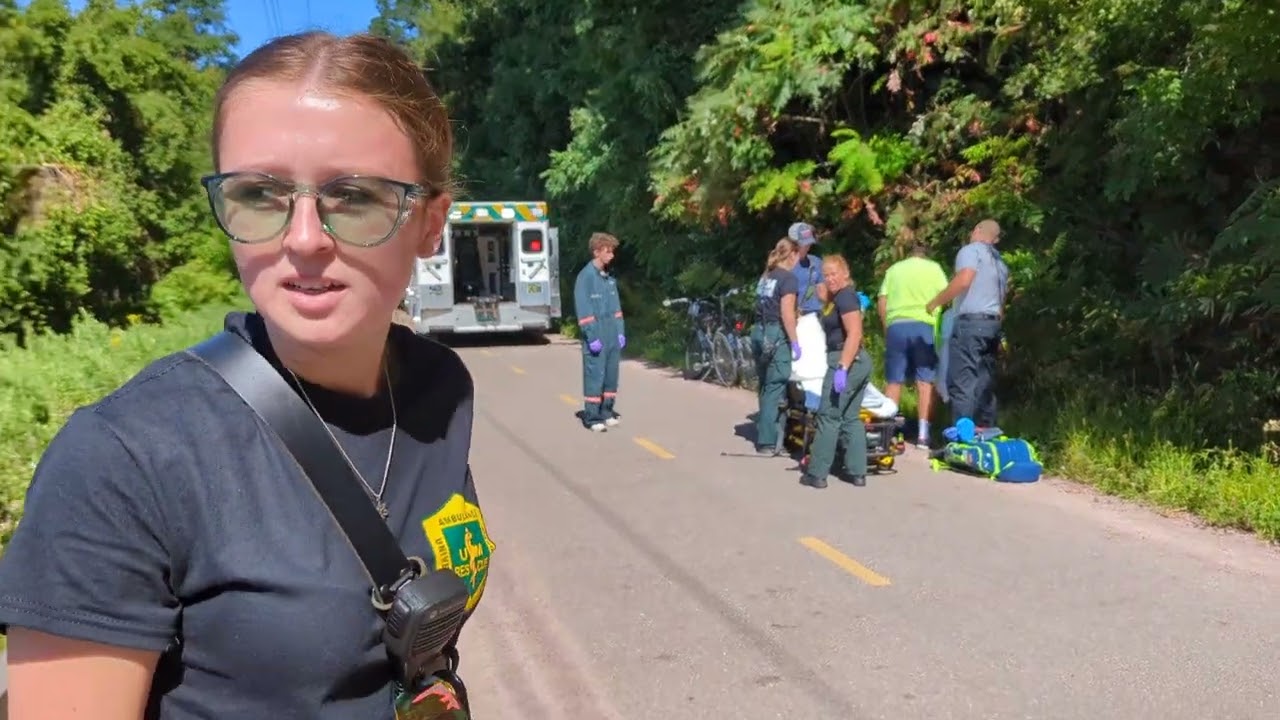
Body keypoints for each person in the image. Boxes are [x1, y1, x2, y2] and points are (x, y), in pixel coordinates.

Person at [0, 31, 495, 719]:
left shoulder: (437, 391)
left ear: (430, 223)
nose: (302, 239)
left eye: (352, 196)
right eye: (259, 194)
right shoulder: (125, 461)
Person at [926, 218, 1010, 427]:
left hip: (970, 323)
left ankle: (962, 437)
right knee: (985, 381)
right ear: (996, 239)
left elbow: (964, 279)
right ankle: (986, 430)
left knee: (963, 380)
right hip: (992, 325)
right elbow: (1001, 300)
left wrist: (936, 302)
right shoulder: (999, 263)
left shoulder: (971, 251)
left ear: (977, 230)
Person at [800, 255, 873, 489]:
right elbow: (824, 295)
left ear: (845, 274)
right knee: (851, 417)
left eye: (834, 274)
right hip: (857, 360)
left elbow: (854, 333)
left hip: (846, 359)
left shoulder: (847, 297)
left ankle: (817, 473)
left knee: (829, 415)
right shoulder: (838, 298)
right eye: (826, 274)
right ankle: (857, 472)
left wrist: (842, 367)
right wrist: (824, 292)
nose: (829, 279)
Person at [877, 242, 949, 447]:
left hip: (897, 326)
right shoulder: (934, 268)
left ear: (909, 255)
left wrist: (886, 327)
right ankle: (923, 435)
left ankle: (887, 431)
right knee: (924, 381)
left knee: (894, 380)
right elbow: (945, 294)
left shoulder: (894, 269)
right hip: (923, 326)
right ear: (926, 255)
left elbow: (882, 300)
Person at [751, 237, 802, 455]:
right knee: (775, 386)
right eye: (798, 255)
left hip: (758, 332)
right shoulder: (788, 279)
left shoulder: (766, 276)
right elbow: (786, 313)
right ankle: (768, 441)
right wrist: (795, 341)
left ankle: (767, 432)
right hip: (775, 334)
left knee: (764, 385)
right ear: (792, 255)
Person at [573, 231, 626, 432]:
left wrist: (620, 331)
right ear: (596, 252)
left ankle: (607, 411)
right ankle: (592, 416)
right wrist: (591, 335)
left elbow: (616, 308)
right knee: (595, 374)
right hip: (596, 334)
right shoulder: (585, 278)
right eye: (607, 251)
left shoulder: (608, 278)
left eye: (612, 251)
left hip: (612, 333)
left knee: (611, 375)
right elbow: (584, 310)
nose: (611, 255)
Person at [787, 221, 824, 318]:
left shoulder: (816, 262)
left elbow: (822, 292)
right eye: (804, 244)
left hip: (817, 315)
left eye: (809, 243)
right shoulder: (785, 266)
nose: (808, 247)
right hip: (797, 316)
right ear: (793, 243)